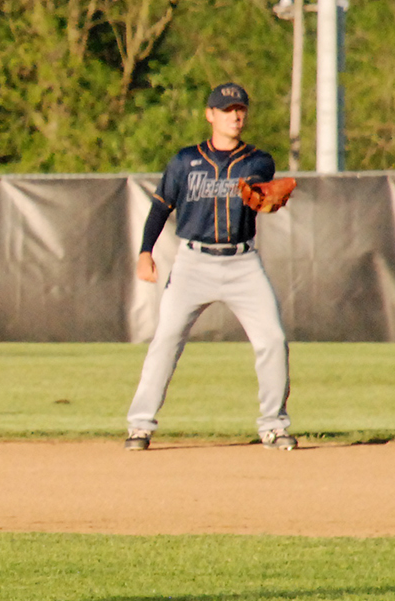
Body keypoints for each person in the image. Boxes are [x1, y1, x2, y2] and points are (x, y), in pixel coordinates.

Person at [125, 82, 295, 451]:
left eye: (240, 109)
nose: (235, 115)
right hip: (192, 264)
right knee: (165, 340)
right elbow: (160, 207)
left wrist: (264, 200)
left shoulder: (258, 161)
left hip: (242, 263)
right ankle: (139, 425)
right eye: (227, 109)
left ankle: (274, 425)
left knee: (273, 340)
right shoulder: (184, 161)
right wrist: (144, 252)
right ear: (210, 115)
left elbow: (261, 195)